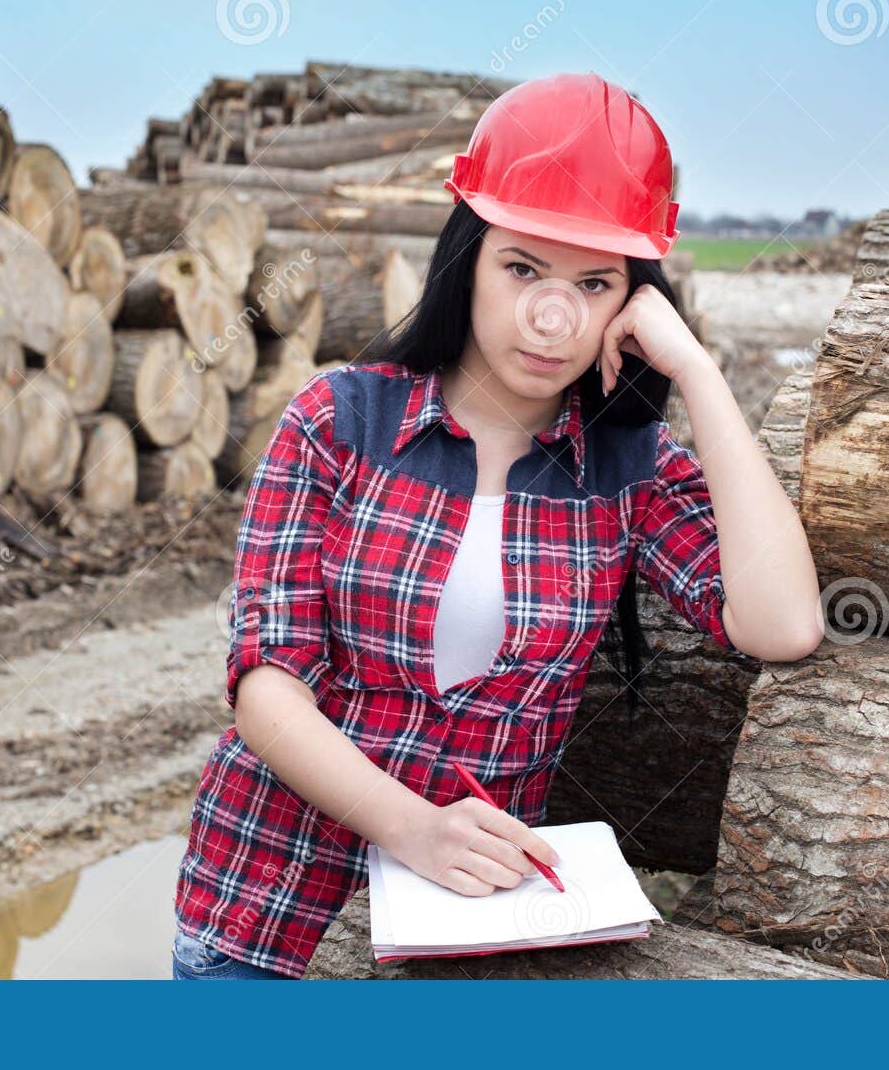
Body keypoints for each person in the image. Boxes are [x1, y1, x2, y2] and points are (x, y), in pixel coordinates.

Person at [170, 71, 823, 981]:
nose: (550, 315)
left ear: (631, 301)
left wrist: (696, 372)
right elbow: (266, 688)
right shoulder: (336, 422)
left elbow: (783, 622)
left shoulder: (625, 468)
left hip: (456, 945)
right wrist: (414, 829)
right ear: (466, 258)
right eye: (521, 266)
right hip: (265, 921)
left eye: (593, 282)